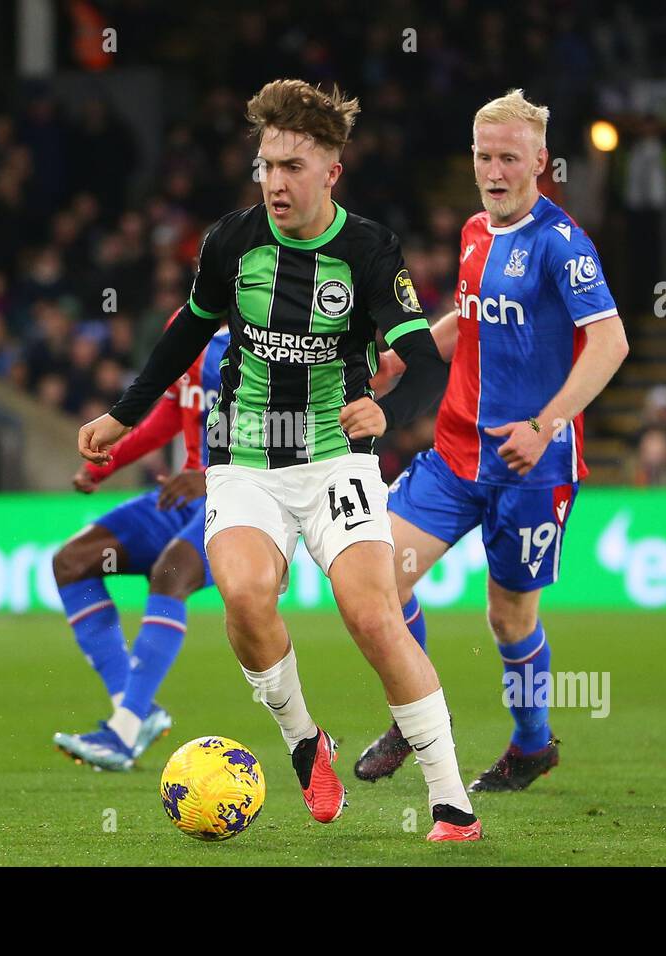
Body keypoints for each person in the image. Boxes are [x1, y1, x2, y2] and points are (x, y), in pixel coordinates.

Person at [79, 80, 481, 842]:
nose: (273, 182)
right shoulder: (231, 240)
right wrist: (122, 412)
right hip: (246, 460)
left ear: (331, 171)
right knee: (245, 595)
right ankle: (305, 744)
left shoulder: (368, 249)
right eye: (265, 165)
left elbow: (424, 362)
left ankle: (451, 799)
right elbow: (186, 335)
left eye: (291, 166)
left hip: (336, 460)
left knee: (371, 612)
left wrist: (386, 411)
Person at [355, 90, 629, 793]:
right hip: (455, 454)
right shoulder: (476, 229)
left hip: (530, 466)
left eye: (510, 157)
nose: (495, 170)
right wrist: (404, 359)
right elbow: (468, 318)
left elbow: (610, 342)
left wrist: (545, 426)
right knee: (378, 578)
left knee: (508, 618)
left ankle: (532, 746)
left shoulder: (562, 244)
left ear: (540, 160)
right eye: (484, 157)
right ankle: (416, 717)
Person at [53, 320, 230, 771]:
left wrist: (212, 476)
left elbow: (292, 436)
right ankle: (135, 711)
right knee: (71, 562)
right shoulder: (183, 325)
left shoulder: (273, 327)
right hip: (184, 492)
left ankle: (123, 733)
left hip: (246, 498)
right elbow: (170, 413)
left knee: (169, 574)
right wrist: (103, 466)